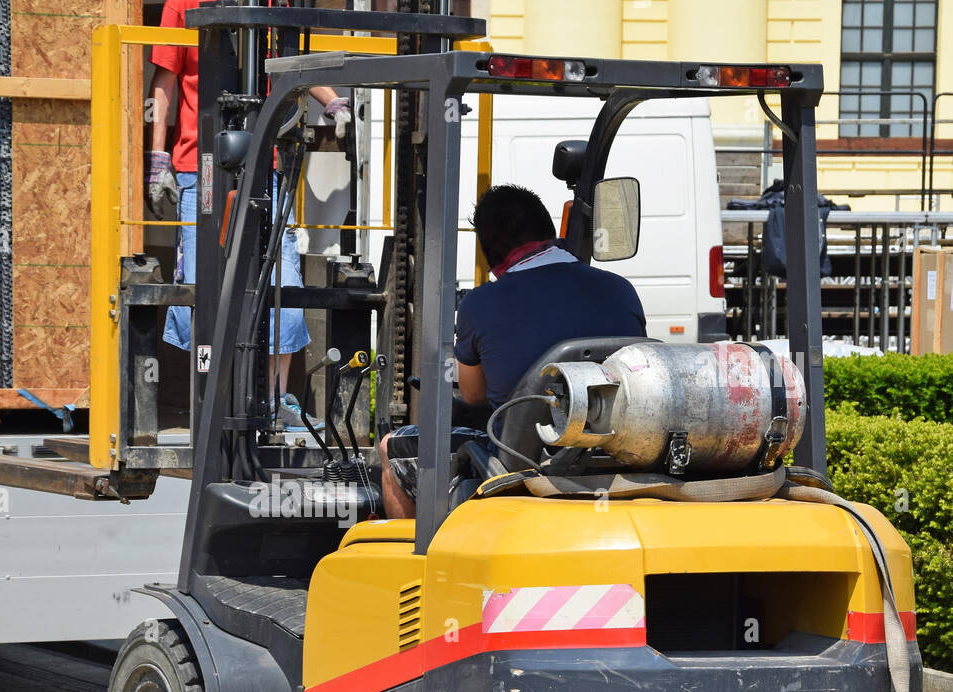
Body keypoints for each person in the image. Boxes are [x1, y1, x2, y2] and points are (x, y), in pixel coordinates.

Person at [380, 183, 647, 518]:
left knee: (391, 447)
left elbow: (473, 394)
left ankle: (418, 550)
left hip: (523, 464)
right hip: (612, 458)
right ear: (550, 230)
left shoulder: (480, 304)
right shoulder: (620, 289)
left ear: (488, 251)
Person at [148, 0, 351, 432]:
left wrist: (333, 102)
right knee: (201, 285)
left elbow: (293, 61)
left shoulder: (271, 3)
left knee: (284, 282)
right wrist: (157, 155)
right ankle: (210, 401)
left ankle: (276, 402)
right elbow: (164, 77)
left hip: (265, 166)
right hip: (199, 165)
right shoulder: (182, 3)